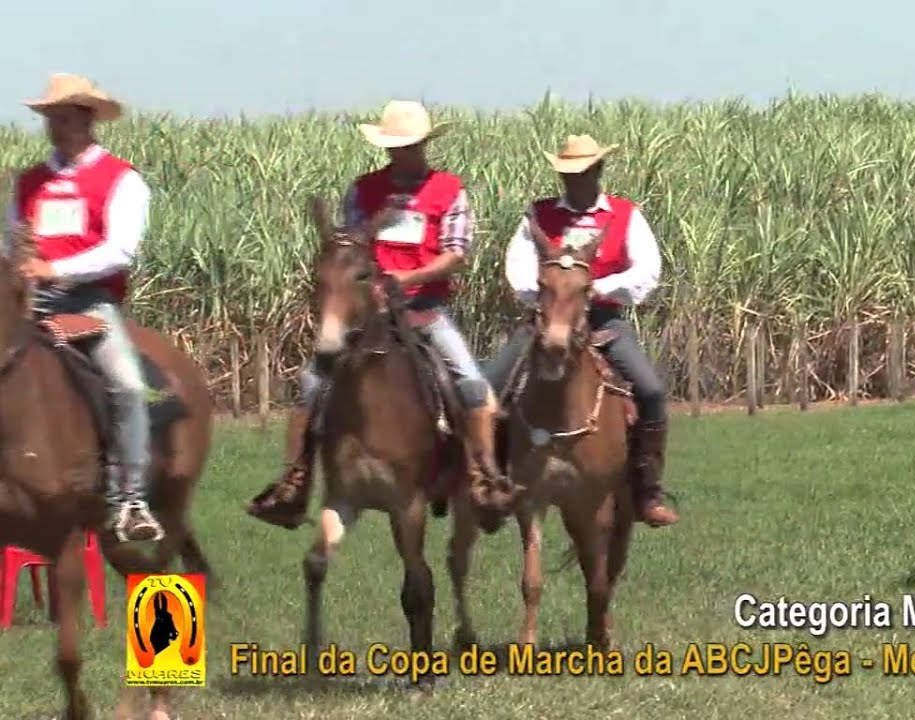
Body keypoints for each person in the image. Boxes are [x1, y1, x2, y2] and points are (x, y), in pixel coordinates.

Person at [246, 100, 504, 529]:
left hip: (425, 310)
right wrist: (366, 287)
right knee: (312, 382)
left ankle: (484, 477)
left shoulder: (448, 190)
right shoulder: (363, 190)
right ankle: (294, 482)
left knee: (471, 383)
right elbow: (350, 248)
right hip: (372, 315)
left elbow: (456, 255)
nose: (399, 154)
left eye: (408, 146)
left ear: (423, 145)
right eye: (394, 146)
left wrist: (409, 277)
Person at [484, 134, 678, 527]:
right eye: (568, 174)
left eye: (583, 172)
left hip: (604, 321)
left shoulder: (625, 214)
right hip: (546, 319)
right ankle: (494, 483)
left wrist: (595, 289)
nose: (575, 181)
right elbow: (518, 266)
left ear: (598, 171)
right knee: (490, 387)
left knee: (652, 392)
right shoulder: (538, 217)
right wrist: (548, 297)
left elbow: (647, 270)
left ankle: (646, 488)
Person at [4, 74, 163, 542]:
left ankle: (130, 500)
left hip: (91, 303)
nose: (58, 126)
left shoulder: (121, 179)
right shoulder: (30, 182)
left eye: (67, 117)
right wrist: (17, 260)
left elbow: (121, 251)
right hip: (28, 302)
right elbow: (13, 242)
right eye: (52, 118)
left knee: (128, 385)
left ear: (89, 119)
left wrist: (57, 270)